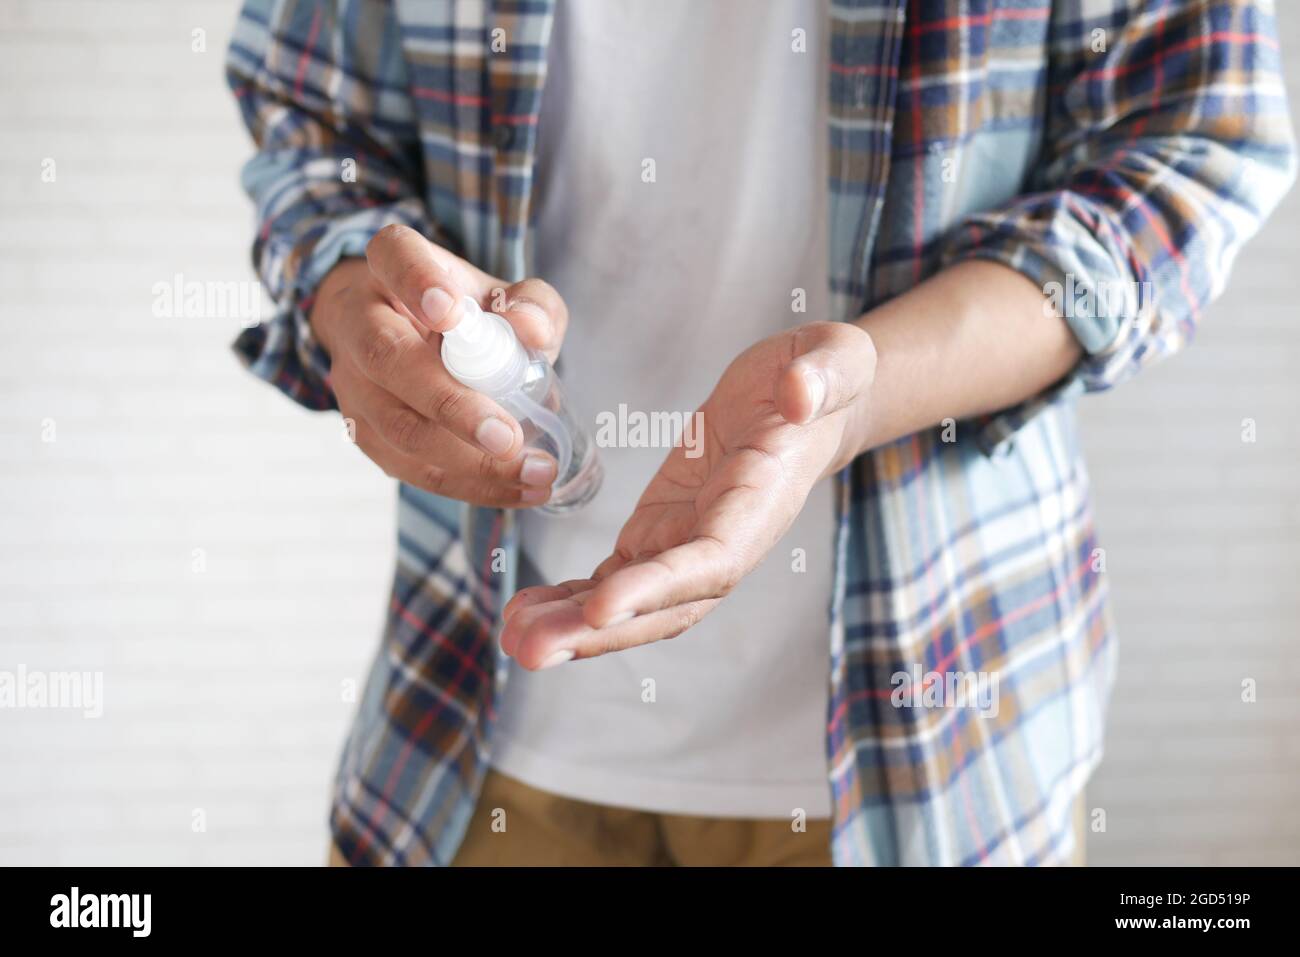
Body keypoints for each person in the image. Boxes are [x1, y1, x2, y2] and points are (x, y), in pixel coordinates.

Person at [226, 0, 1294, 866]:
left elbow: (1193, 139)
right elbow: (313, 125)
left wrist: (860, 392)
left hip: (931, 763)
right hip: (465, 739)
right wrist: (359, 299)